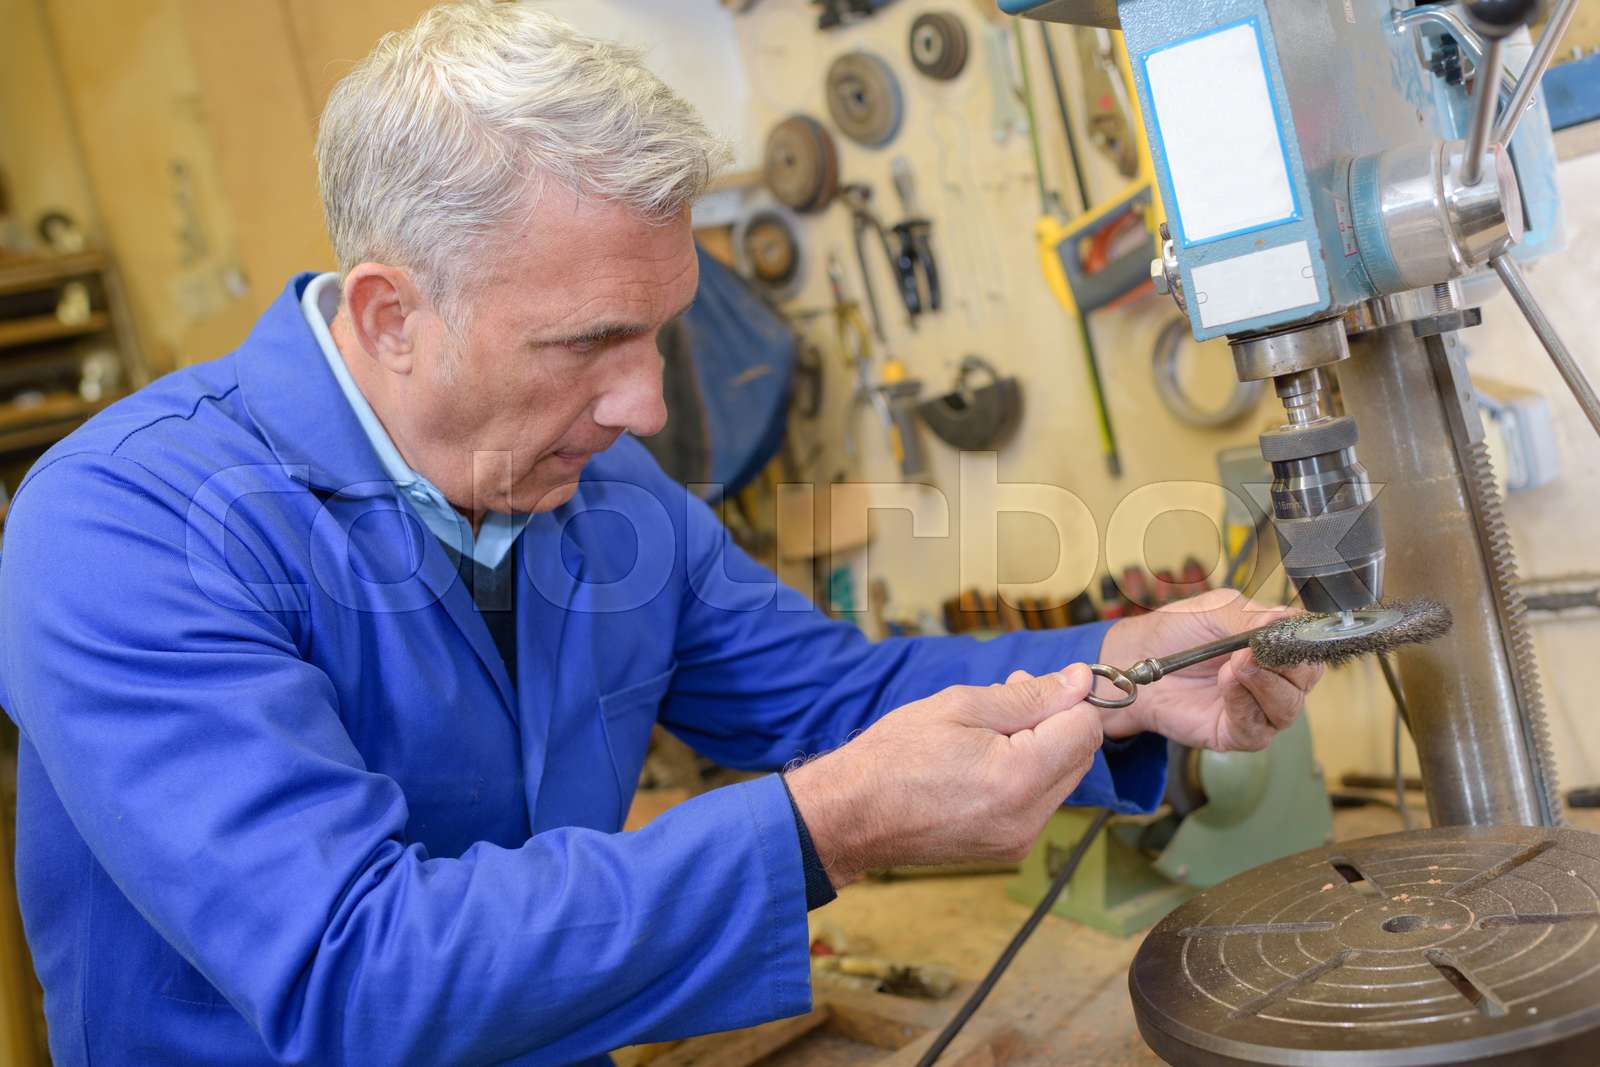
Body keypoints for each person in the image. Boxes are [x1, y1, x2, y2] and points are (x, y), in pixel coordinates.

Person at [0, 4, 1322, 1065]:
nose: (645, 407)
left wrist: (1134, 677)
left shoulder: (606, 499)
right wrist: (821, 829)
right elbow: (357, 976)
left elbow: (835, 701)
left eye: (659, 332)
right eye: (589, 342)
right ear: (394, 315)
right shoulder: (129, 524)